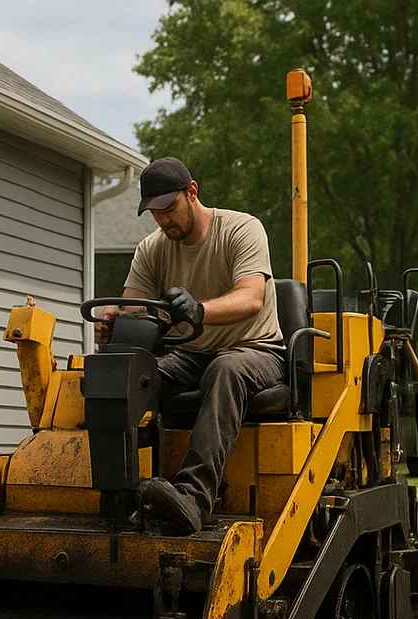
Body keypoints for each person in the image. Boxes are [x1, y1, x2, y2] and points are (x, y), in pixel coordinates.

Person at [105, 157, 285, 535]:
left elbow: (251, 297)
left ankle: (192, 498)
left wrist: (199, 310)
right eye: (155, 213)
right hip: (189, 354)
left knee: (226, 369)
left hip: (255, 350)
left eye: (169, 209)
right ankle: (118, 491)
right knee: (129, 376)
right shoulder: (152, 248)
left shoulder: (241, 229)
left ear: (192, 193)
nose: (164, 220)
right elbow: (133, 305)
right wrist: (116, 321)